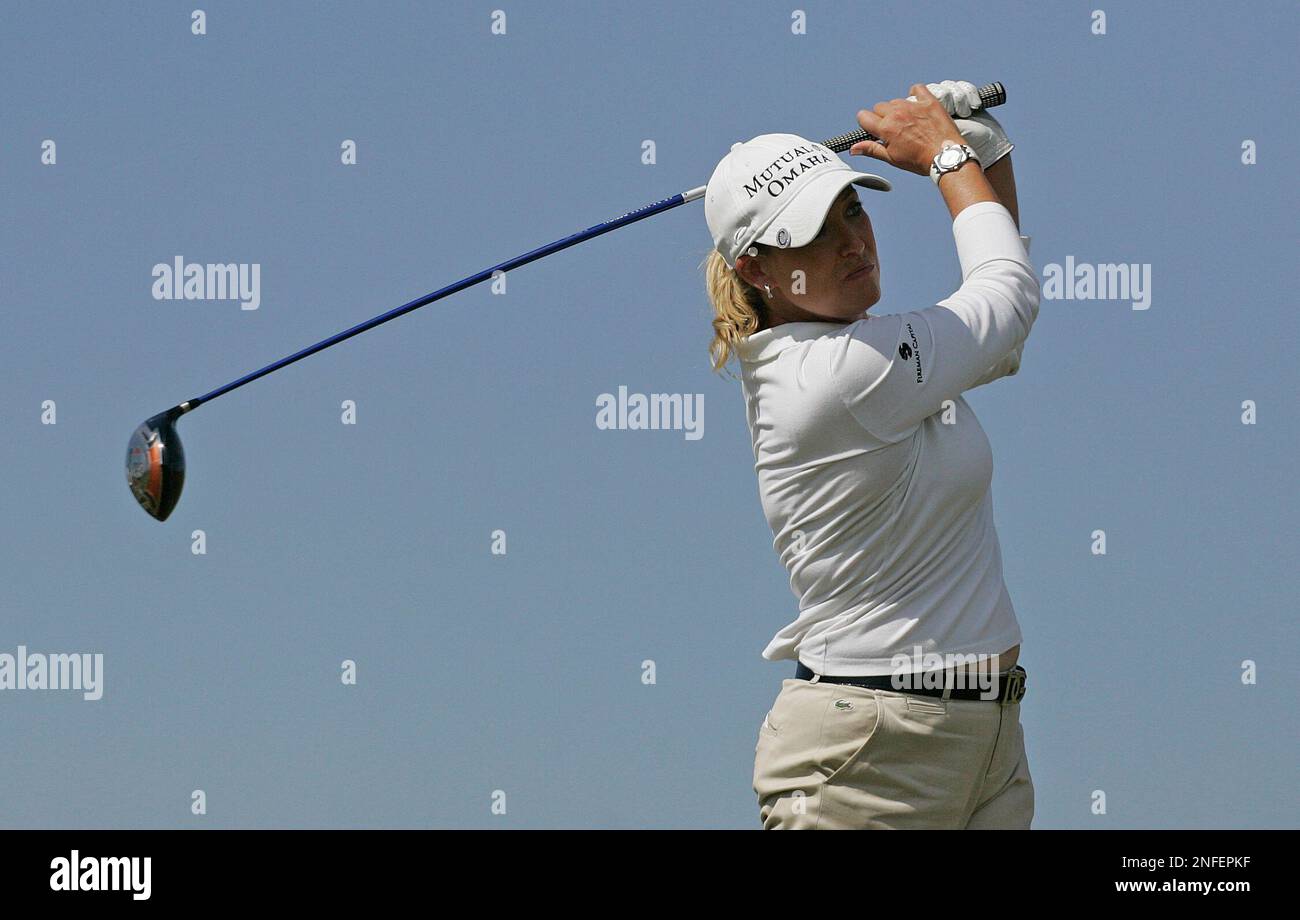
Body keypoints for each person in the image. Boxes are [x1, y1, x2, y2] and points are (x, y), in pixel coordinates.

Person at [700, 82, 1039, 829]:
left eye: (852, 208)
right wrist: (948, 156)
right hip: (866, 761)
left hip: (984, 744)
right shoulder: (838, 376)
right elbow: (1006, 303)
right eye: (814, 232)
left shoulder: (869, 358)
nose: (852, 241)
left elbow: (999, 331)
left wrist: (983, 153)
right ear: (758, 269)